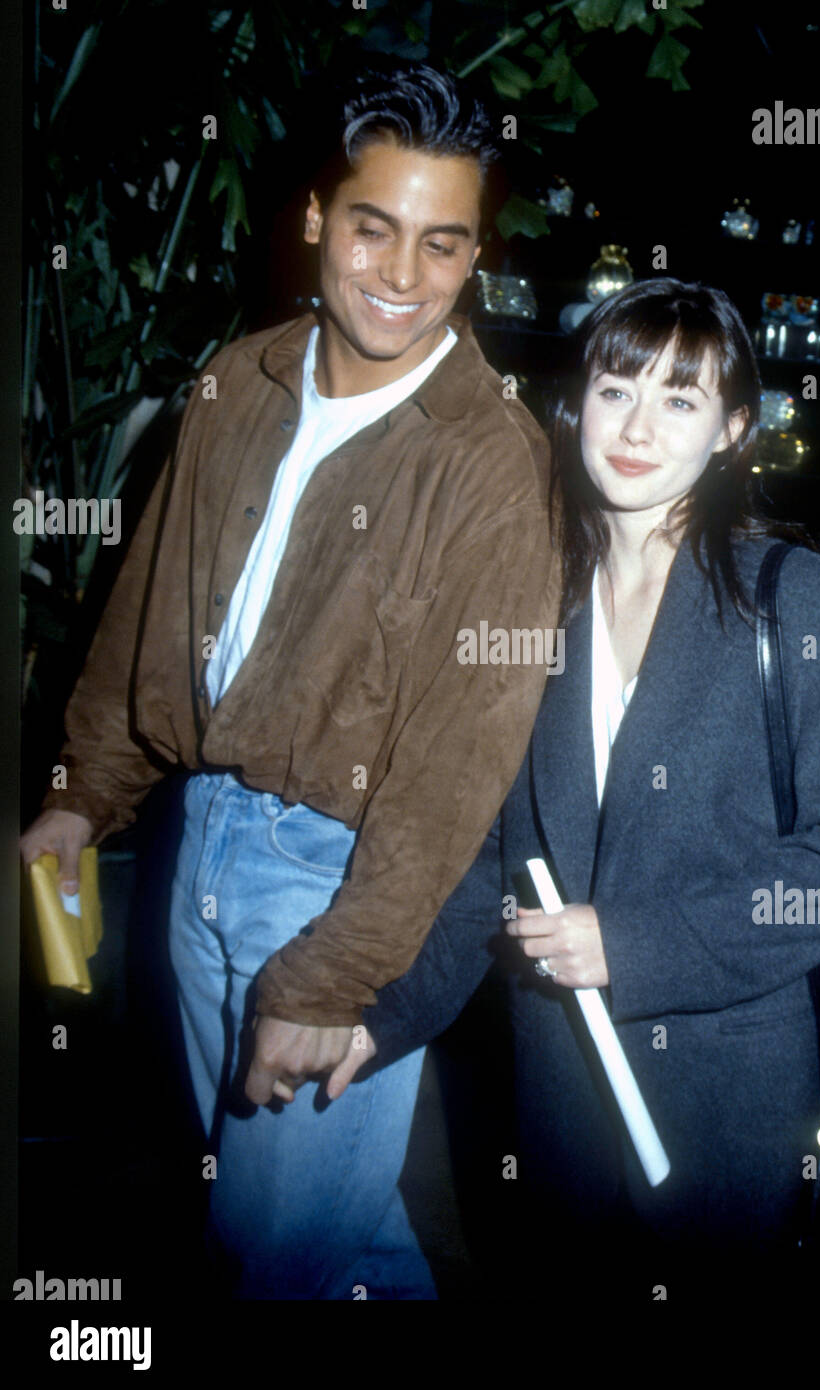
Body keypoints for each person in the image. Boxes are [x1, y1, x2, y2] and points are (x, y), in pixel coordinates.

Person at [18, 64, 561, 1299]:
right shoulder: (237, 383)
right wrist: (82, 793)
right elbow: (145, 621)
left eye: (443, 245)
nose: (402, 277)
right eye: (374, 228)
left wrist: (336, 971)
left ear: (473, 257)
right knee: (316, 1228)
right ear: (316, 217)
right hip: (197, 844)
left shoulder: (491, 465)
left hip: (339, 882)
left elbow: (455, 773)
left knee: (271, 1259)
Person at [334, 277, 820, 1300]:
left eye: (679, 400)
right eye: (615, 388)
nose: (637, 427)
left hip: (729, 1091)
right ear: (573, 403)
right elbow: (490, 856)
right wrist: (382, 1015)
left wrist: (631, 944)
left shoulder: (803, 605)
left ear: (732, 430)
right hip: (557, 1091)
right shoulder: (536, 605)